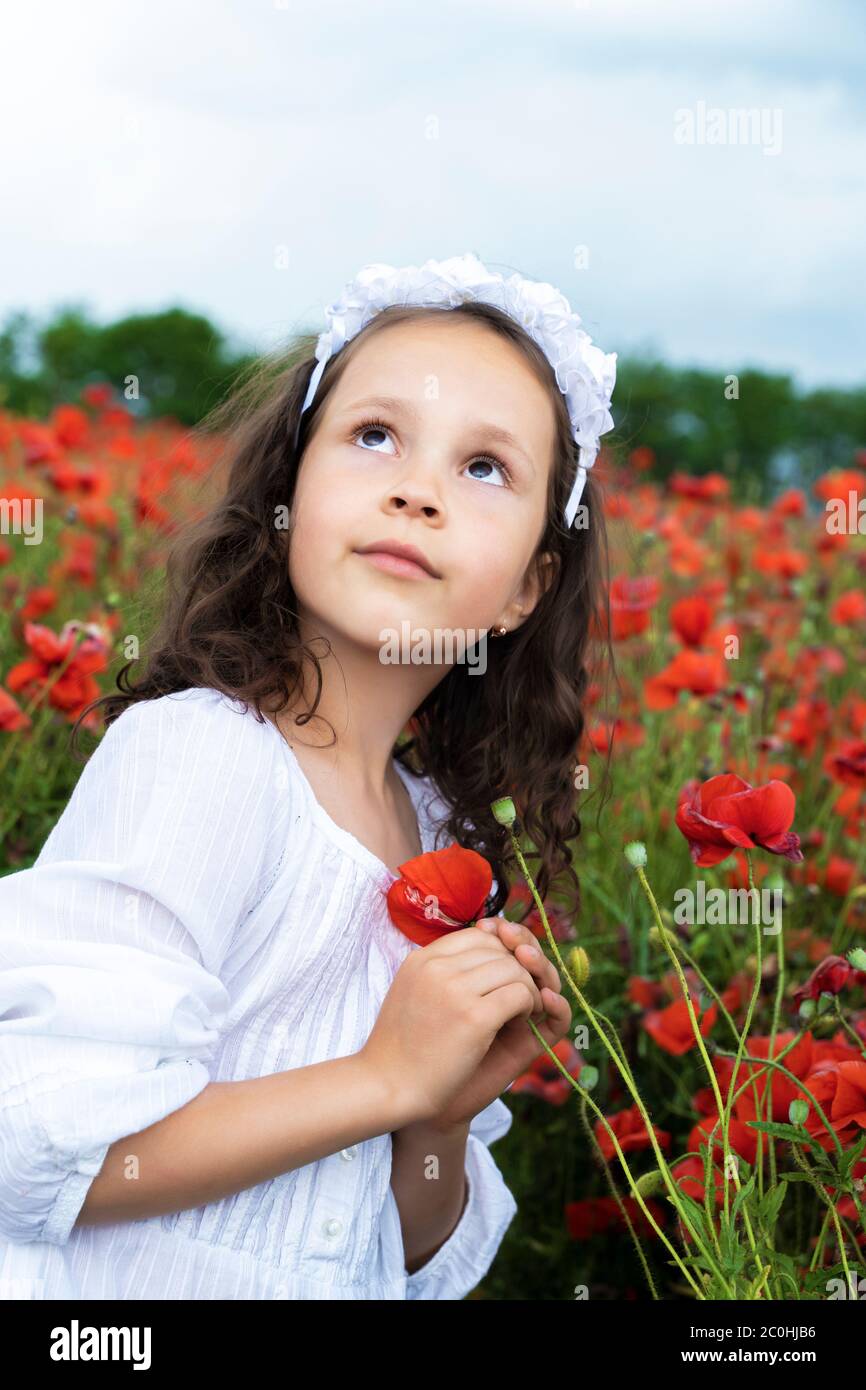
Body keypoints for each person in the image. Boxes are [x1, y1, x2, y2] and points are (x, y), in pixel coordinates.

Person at [0, 252, 616, 1300]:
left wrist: (435, 1112)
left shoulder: (446, 846)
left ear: (525, 587)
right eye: (373, 436)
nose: (415, 489)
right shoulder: (202, 756)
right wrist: (380, 1076)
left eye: (483, 469)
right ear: (289, 488)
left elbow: (407, 1259)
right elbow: (38, 1149)